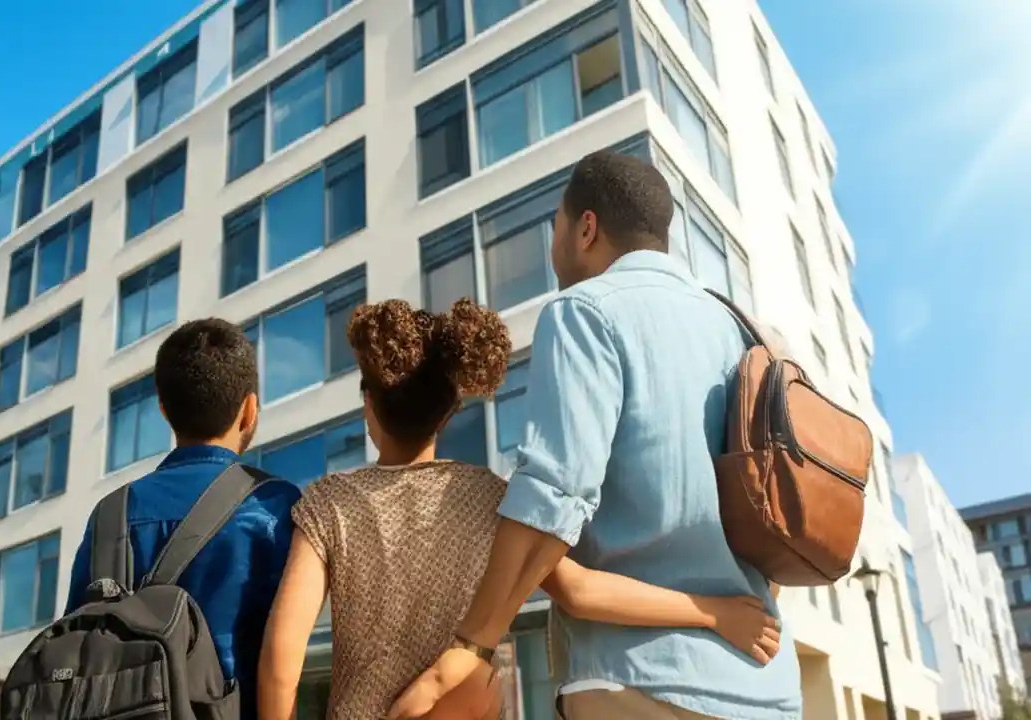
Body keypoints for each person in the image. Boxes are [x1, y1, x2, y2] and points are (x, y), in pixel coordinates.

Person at [388, 151, 803, 720]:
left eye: (555, 225)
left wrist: (471, 646)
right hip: (766, 687)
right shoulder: (744, 332)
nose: (554, 241)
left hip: (642, 685)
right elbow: (778, 526)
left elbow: (554, 498)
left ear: (586, 228)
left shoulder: (584, 312)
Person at [256, 299, 783, 720]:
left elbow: (283, 655)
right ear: (451, 412)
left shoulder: (329, 503)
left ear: (367, 403)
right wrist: (714, 611)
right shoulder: (492, 497)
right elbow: (580, 592)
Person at [64, 319, 299, 720]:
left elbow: (78, 643)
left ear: (163, 409)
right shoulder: (275, 506)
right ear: (249, 409)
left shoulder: (109, 514)